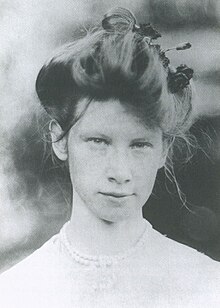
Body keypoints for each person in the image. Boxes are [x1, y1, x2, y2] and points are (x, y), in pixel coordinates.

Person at [0, 7, 219, 308]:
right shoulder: (17, 292)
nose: (120, 171)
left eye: (140, 145)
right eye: (98, 141)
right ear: (59, 140)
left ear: (163, 151)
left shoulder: (205, 285)